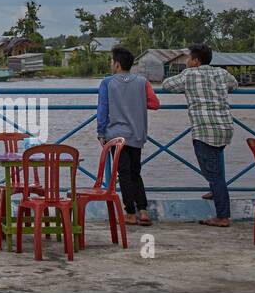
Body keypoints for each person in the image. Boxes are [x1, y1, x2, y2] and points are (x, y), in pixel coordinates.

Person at [159, 45, 238, 227]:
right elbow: (234, 84)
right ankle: (215, 190)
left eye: (189, 59)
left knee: (213, 172)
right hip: (225, 127)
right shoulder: (221, 73)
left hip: (204, 129)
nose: (187, 62)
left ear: (195, 61)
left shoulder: (189, 75)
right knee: (216, 163)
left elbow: (167, 85)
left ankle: (222, 216)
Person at [97, 46, 160, 226]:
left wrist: (101, 133)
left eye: (112, 61)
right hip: (137, 134)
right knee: (135, 173)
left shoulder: (107, 83)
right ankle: (143, 211)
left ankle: (130, 213)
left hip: (116, 137)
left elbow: (103, 110)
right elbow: (154, 104)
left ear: (117, 64)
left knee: (123, 174)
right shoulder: (142, 82)